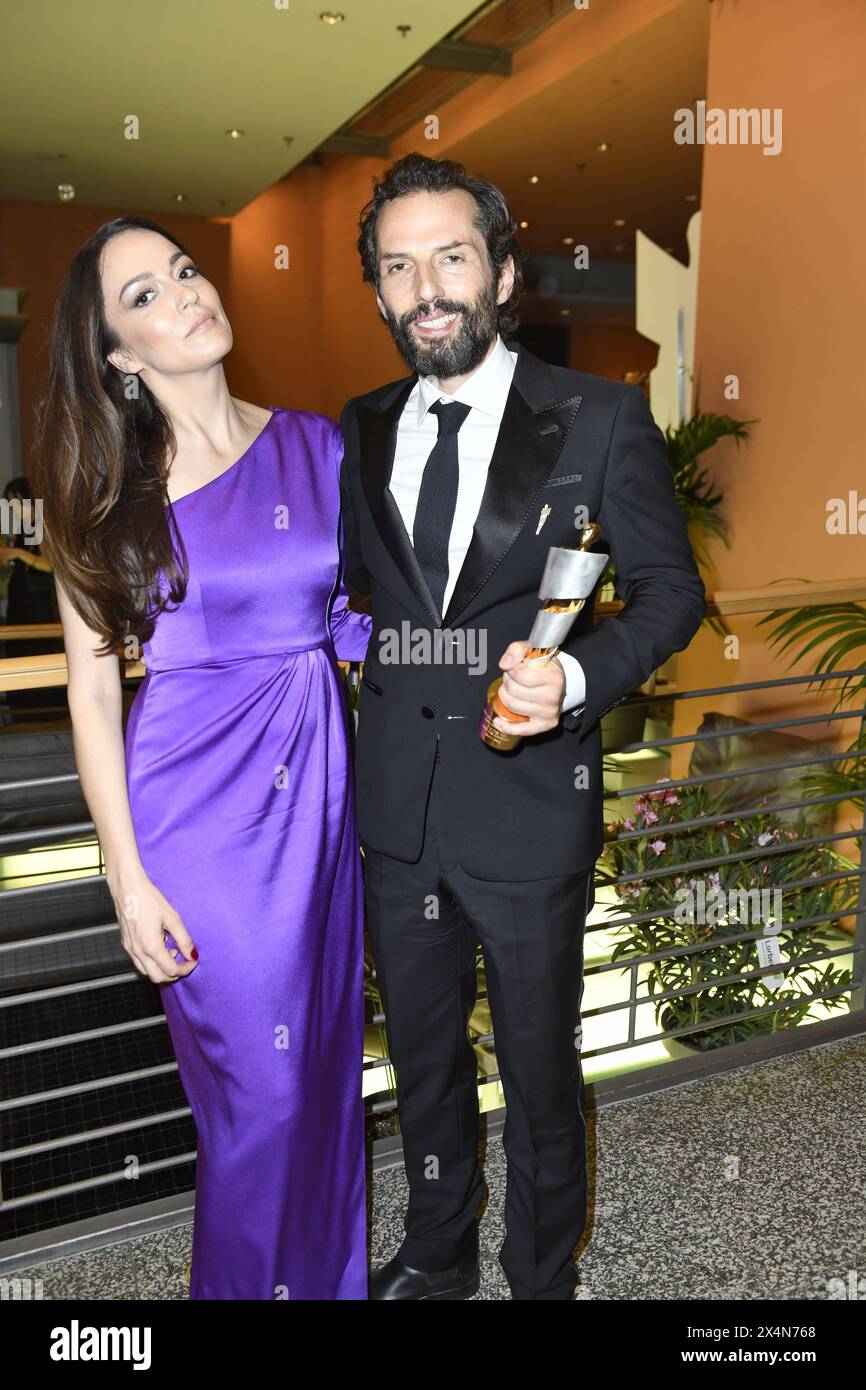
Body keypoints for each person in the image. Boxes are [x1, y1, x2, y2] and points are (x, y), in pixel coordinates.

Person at [339, 153, 707, 1300]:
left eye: (449, 255)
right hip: (397, 813)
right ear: (381, 292)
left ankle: (541, 1272)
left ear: (499, 271)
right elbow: (355, 601)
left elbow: (669, 593)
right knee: (429, 1067)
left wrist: (579, 677)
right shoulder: (359, 428)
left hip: (528, 806)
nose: (425, 286)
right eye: (397, 267)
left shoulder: (597, 418)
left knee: (542, 1074)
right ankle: (440, 1246)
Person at [31, 216, 371, 1299]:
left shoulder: (319, 444)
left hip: (319, 801)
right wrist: (126, 879)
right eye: (143, 295)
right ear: (119, 358)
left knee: (322, 1082)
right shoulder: (102, 499)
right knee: (259, 1102)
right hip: (198, 823)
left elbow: (359, 620)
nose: (184, 292)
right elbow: (91, 693)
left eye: (182, 269)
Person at [0, 475, 60, 715]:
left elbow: (50, 565)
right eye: (10, 504)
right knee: (20, 652)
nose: (15, 509)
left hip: (38, 604)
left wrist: (17, 554)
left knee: (37, 653)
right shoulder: (20, 530)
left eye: (19, 503)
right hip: (21, 601)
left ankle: (42, 712)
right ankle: (22, 711)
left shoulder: (43, 525)